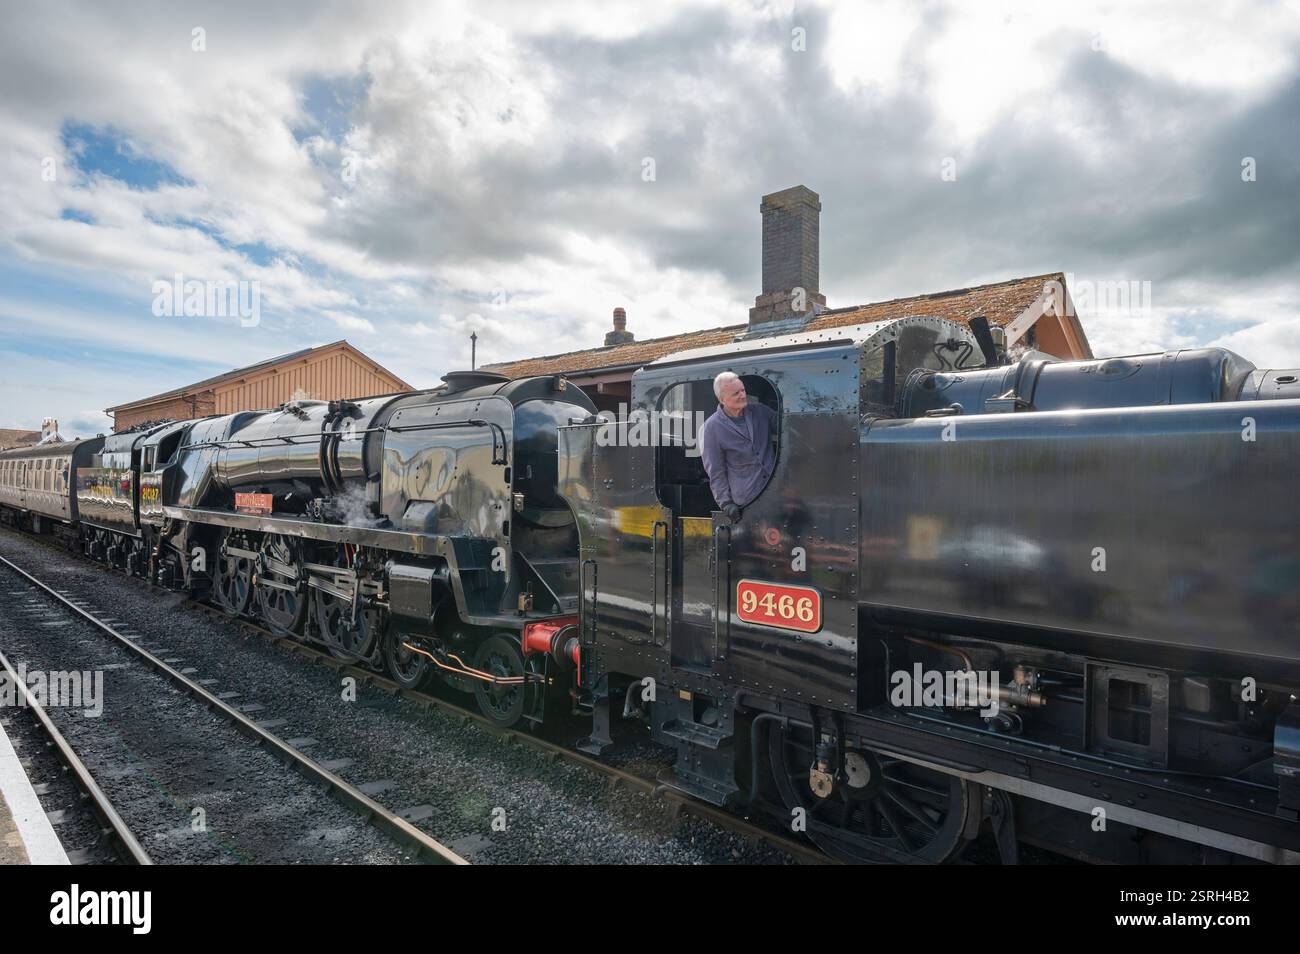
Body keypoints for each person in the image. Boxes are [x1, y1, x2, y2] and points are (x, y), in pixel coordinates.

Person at [699, 371, 777, 523]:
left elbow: (787, 425)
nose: (742, 395)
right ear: (722, 399)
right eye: (736, 393)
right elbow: (716, 470)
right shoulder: (711, 428)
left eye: (743, 390)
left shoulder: (761, 412)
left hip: (775, 489)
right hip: (747, 499)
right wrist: (726, 503)